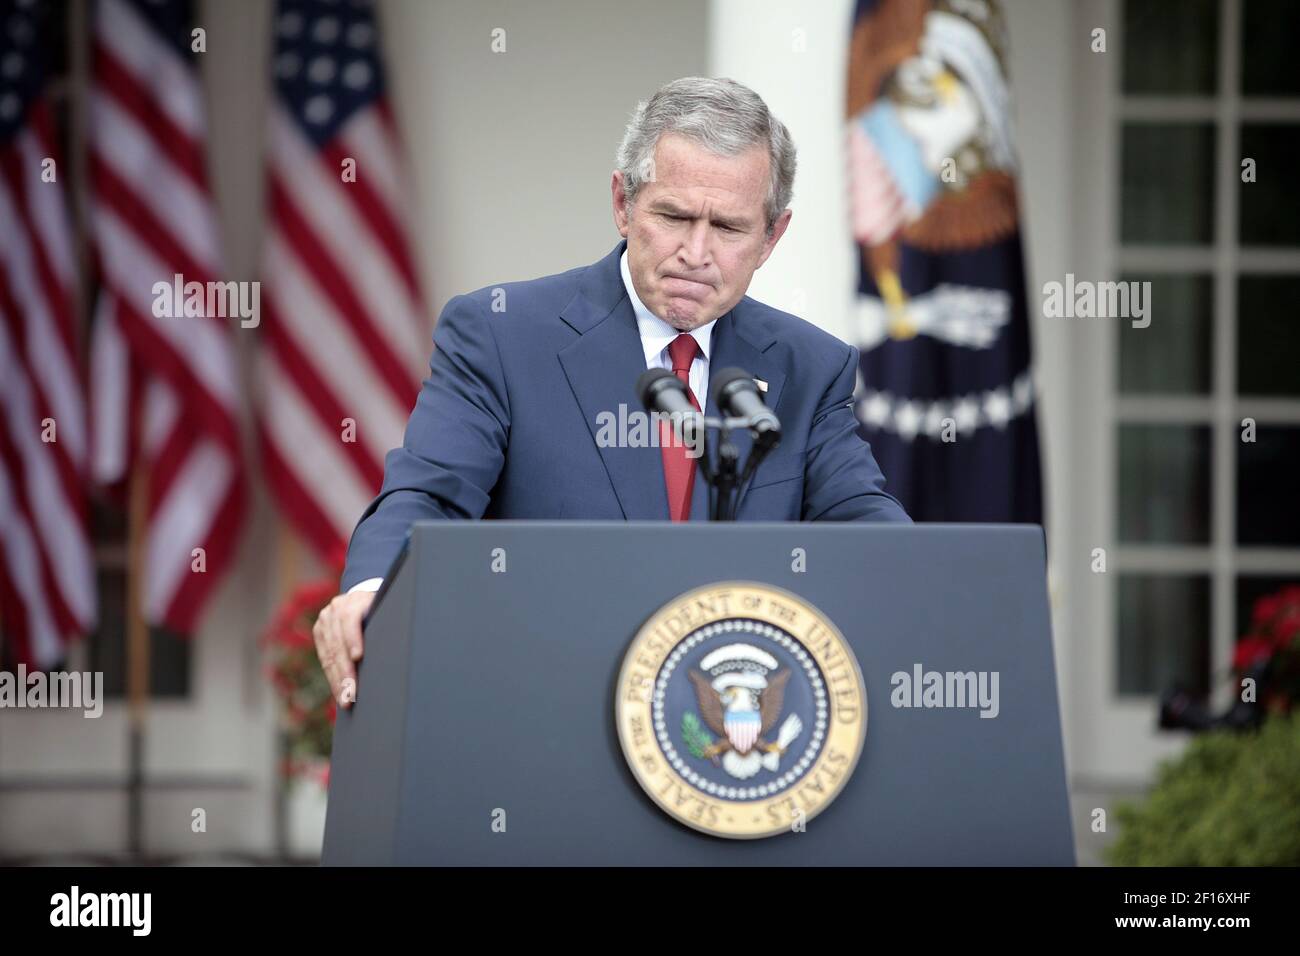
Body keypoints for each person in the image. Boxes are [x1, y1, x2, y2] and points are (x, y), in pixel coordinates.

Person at [314, 76, 909, 707]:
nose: (695, 252)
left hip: (733, 742)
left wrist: (933, 589)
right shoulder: (502, 335)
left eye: (729, 228)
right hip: (548, 713)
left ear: (772, 237)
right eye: (674, 216)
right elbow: (428, 493)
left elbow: (868, 530)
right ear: (623, 202)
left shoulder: (810, 367)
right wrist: (374, 590)